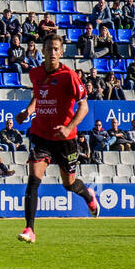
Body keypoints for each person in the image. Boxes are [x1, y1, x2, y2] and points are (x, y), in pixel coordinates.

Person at [16, 32, 99, 242]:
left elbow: (84, 106)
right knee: (33, 179)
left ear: (61, 52)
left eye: (56, 49)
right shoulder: (35, 73)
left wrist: (69, 126)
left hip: (65, 139)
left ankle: (88, 195)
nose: (52, 52)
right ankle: (29, 229)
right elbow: (38, 94)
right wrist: (28, 112)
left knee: (69, 184)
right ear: (42, 51)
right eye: (49, 48)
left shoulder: (69, 76)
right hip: (41, 135)